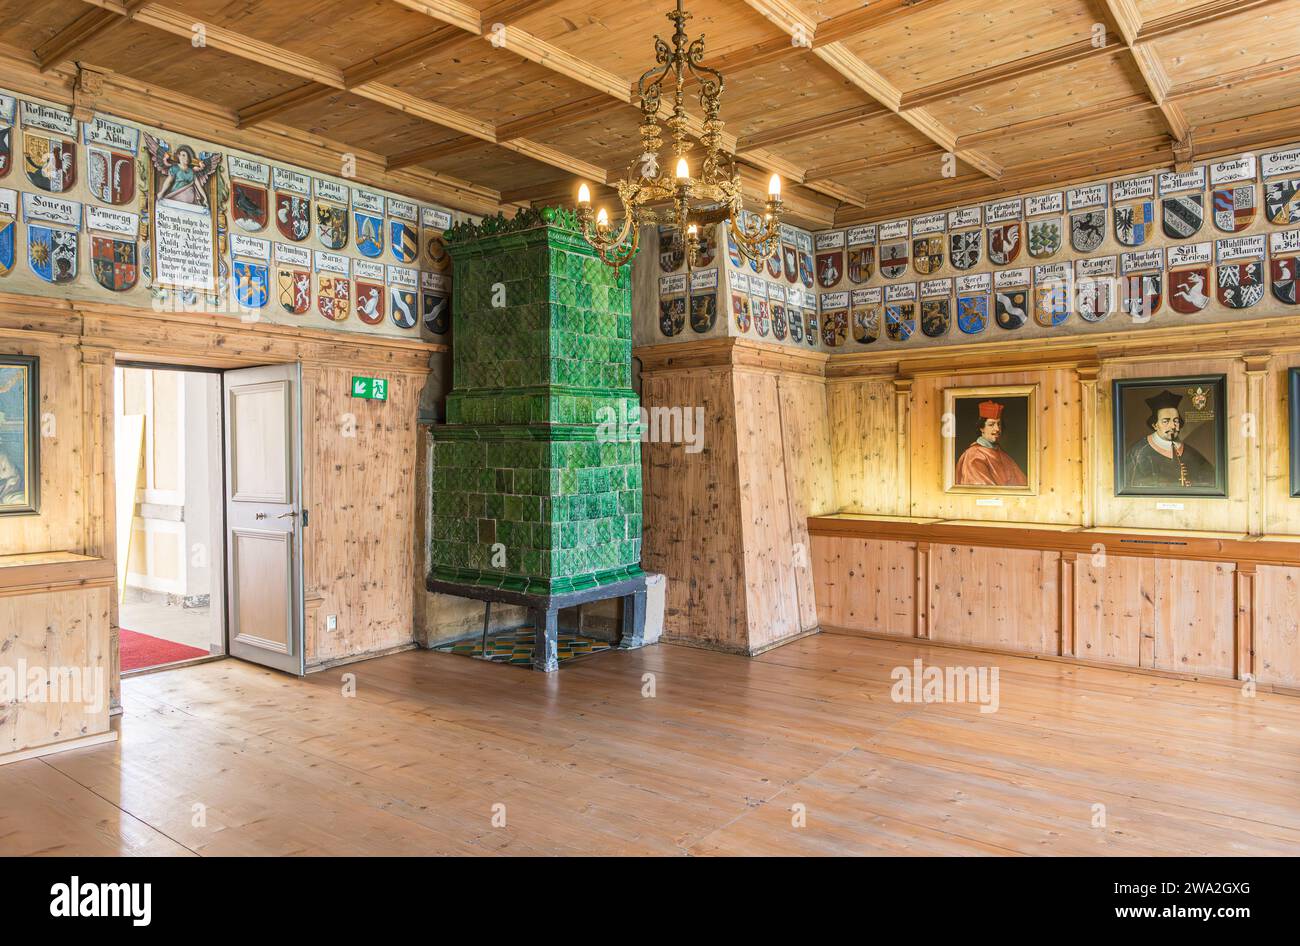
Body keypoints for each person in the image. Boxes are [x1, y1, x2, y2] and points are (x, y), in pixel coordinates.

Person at [1124, 389, 1215, 488]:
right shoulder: (1138, 452)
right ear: (1155, 425)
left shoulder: (1193, 454)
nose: (1172, 426)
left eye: (1176, 421)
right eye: (1166, 421)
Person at [955, 400, 1028, 487]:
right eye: (991, 424)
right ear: (981, 428)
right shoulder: (974, 455)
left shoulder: (1001, 453)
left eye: (999, 424)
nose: (997, 429)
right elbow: (983, 492)